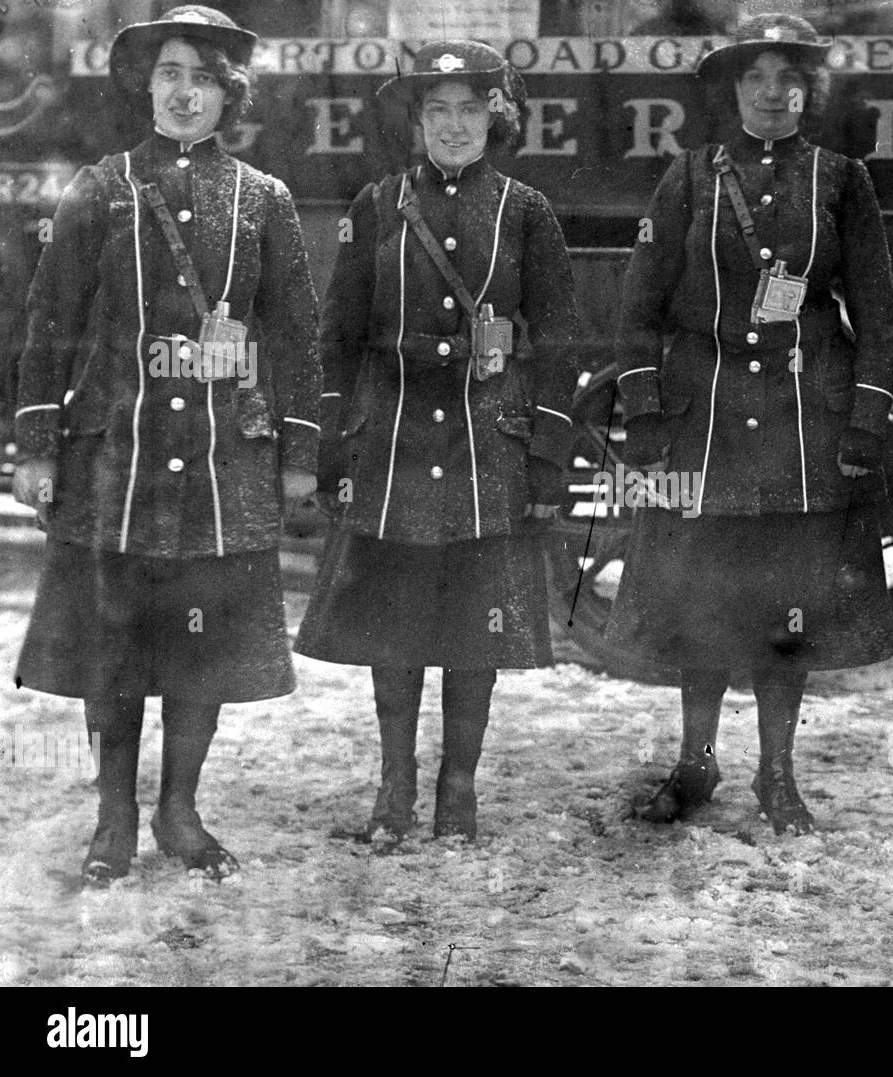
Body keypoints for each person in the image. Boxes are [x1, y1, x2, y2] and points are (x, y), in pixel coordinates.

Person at [12, 6, 320, 885]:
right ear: (146, 87)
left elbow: (296, 334)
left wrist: (298, 450)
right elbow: (51, 323)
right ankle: (113, 816)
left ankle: (179, 809)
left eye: (204, 79)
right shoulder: (101, 189)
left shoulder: (265, 198)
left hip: (223, 468)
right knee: (114, 646)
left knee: (202, 643)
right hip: (118, 459)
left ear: (231, 95)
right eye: (170, 76)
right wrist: (37, 442)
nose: (186, 94)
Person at [609, 13, 893, 836]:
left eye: (790, 78)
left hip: (802, 424)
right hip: (703, 418)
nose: (774, 93)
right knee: (701, 604)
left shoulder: (842, 180)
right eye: (757, 78)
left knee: (788, 610)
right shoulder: (691, 176)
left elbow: (878, 315)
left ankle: (779, 776)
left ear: (812, 89)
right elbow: (639, 306)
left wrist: (866, 418)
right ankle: (695, 766)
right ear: (732, 90)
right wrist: (646, 413)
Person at [294, 41, 580, 847]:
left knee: (473, 628)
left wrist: (548, 454)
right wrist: (331, 441)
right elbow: (338, 335)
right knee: (396, 623)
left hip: (490, 446)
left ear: (498, 117)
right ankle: (395, 788)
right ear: (415, 123)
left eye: (471, 108)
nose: (455, 126)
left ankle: (458, 791)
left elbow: (559, 342)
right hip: (390, 442)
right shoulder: (378, 205)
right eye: (438, 110)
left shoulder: (526, 211)